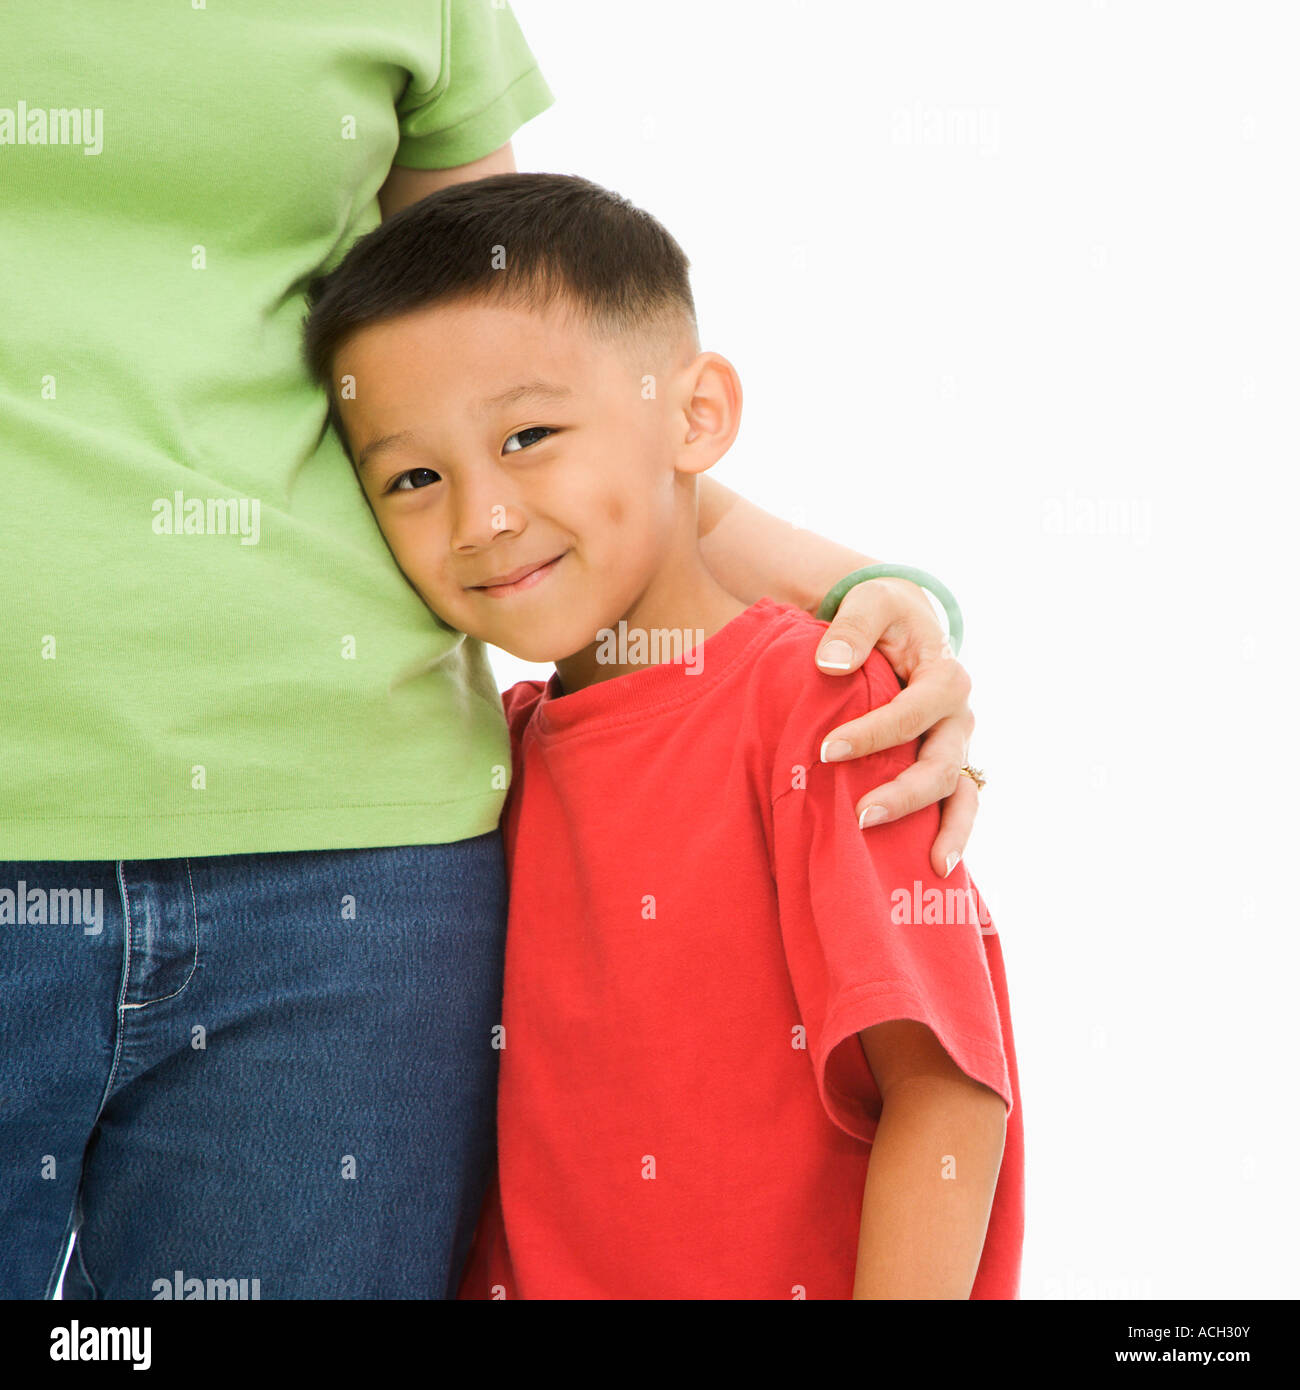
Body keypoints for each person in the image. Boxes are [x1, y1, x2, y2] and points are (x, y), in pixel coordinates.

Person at [2, 3, 977, 1301]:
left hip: (362, 849)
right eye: (412, 479)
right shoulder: (552, 745)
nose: (482, 511)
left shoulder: (800, 712)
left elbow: (523, 351)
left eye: (513, 459)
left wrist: (864, 591)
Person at [303, 172, 1022, 1299]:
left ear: (696, 417)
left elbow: (945, 1091)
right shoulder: (488, 761)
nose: (480, 517)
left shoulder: (823, 701)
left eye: (530, 434)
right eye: (413, 476)